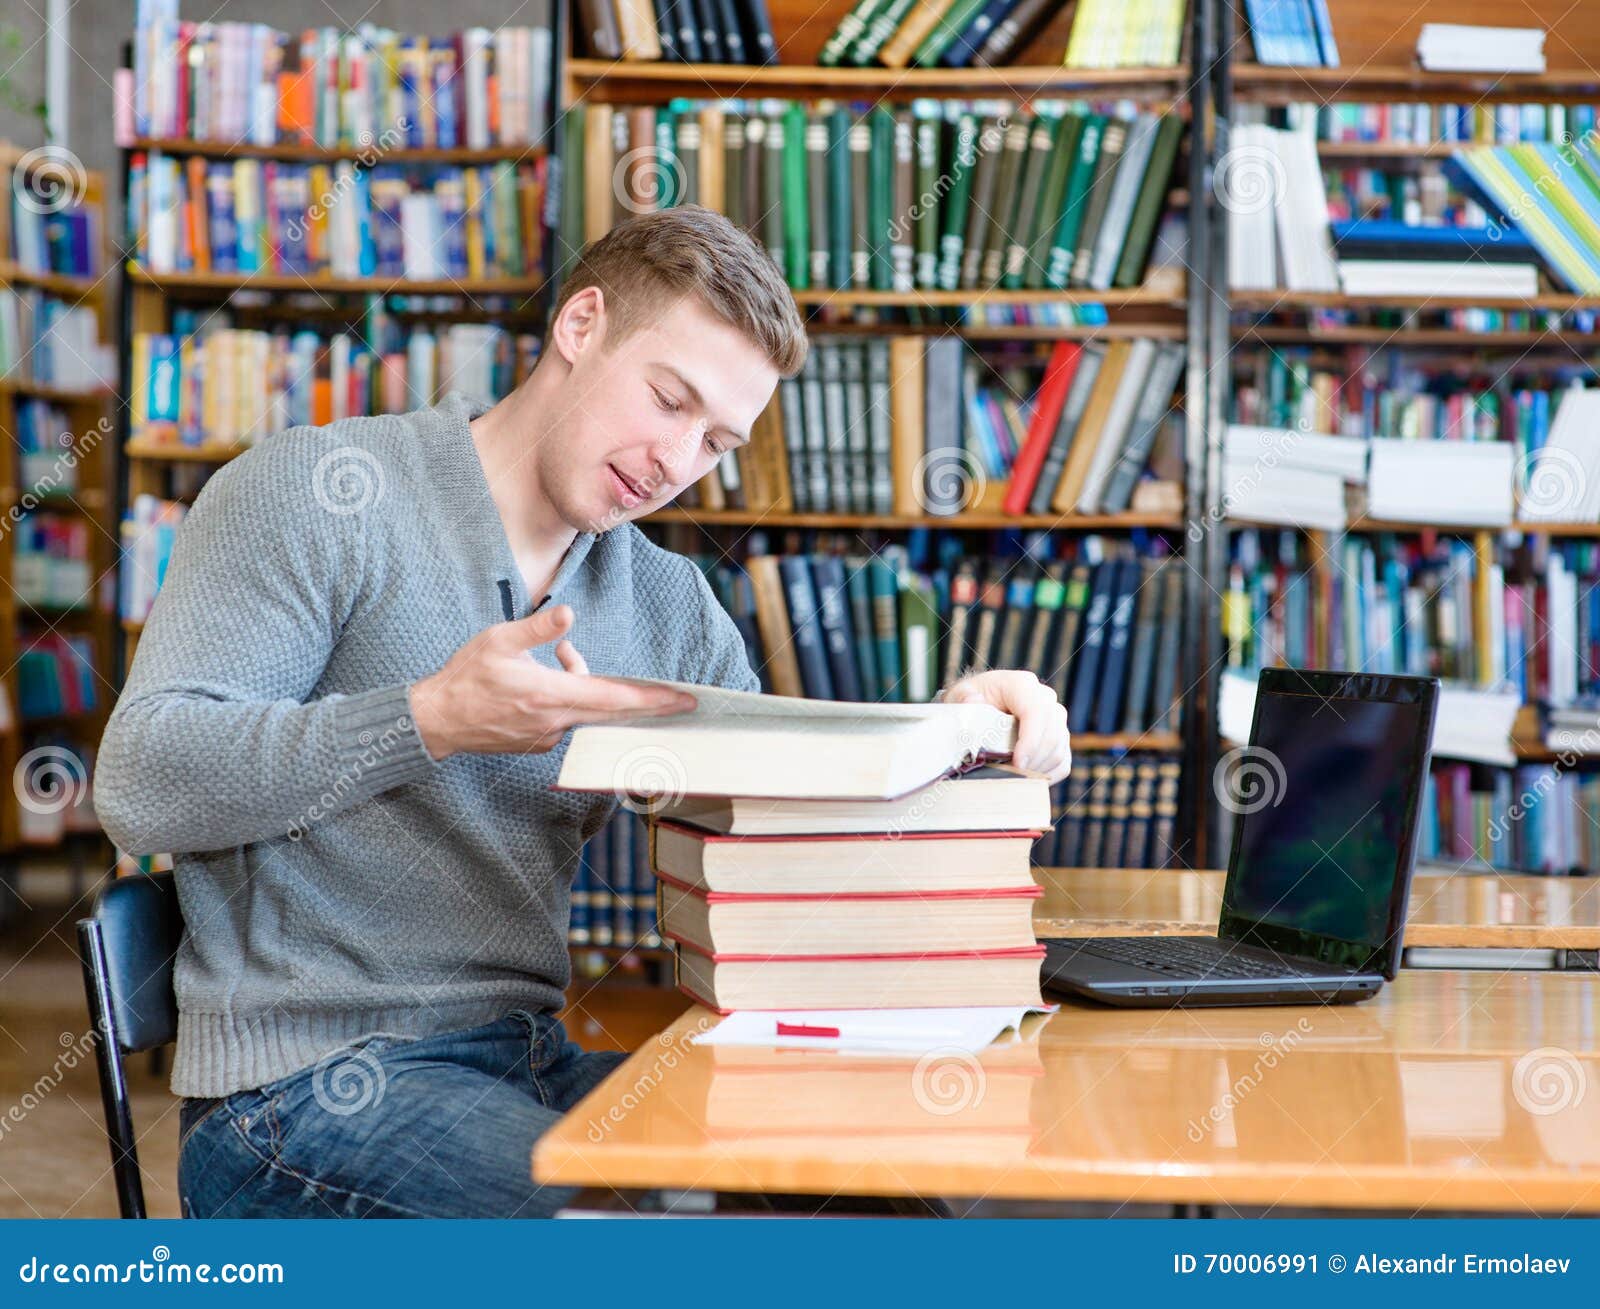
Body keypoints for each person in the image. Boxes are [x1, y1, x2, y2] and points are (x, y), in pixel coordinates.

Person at [94, 204, 1073, 1218]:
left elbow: (807, 809)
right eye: (667, 399)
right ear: (580, 324)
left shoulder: (666, 604)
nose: (673, 461)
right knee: (643, 1238)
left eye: (715, 439)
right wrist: (432, 716)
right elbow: (142, 783)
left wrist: (955, 735)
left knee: (872, 1207)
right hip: (303, 1095)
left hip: (521, 1064)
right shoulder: (318, 491)